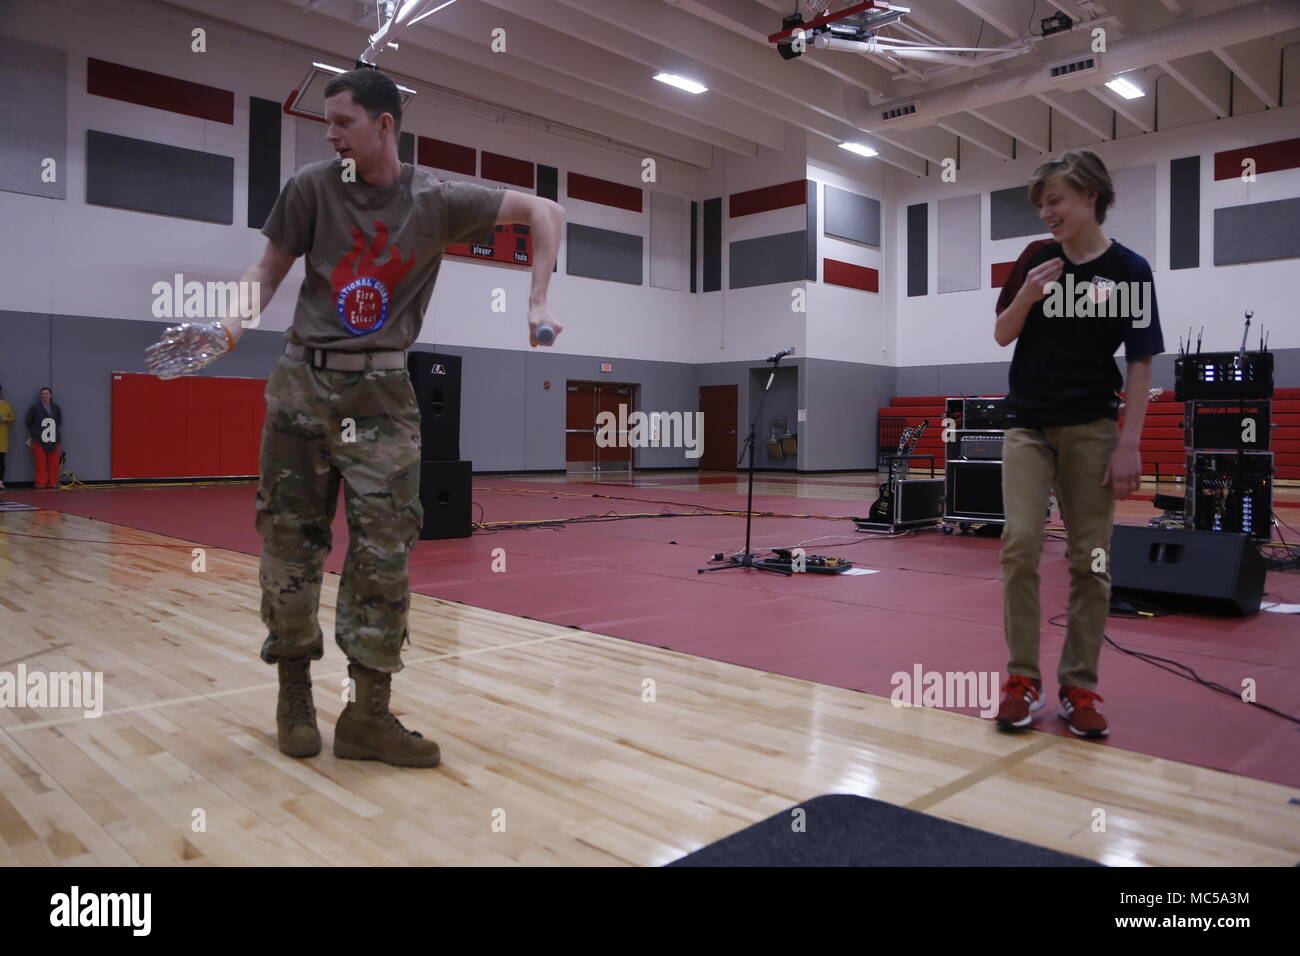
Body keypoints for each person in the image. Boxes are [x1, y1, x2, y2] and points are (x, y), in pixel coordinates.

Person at [145, 67, 565, 767]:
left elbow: (545, 212)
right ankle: (294, 697)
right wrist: (225, 329)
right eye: (327, 123)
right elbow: (267, 271)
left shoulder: (435, 199)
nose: (331, 134)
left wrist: (537, 301)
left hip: (382, 396)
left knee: (384, 554)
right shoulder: (312, 188)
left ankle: (368, 715)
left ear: (385, 126)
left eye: (342, 122)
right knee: (289, 544)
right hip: (302, 386)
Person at [991, 149, 1163, 739]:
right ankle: (1022, 679)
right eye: (1041, 204)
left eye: (1056, 200)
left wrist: (1129, 443)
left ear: (1090, 195)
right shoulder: (1035, 259)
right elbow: (1001, 333)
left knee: (1091, 561)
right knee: (1019, 544)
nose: (1046, 213)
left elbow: (1141, 361)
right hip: (1028, 425)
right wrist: (1027, 296)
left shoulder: (1130, 271)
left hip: (1091, 428)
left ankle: (1079, 684)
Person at [24, 387, 63, 490]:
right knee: (40, 463)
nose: (45, 395)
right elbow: (28, 422)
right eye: (43, 394)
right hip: (38, 440)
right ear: (40, 396)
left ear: (51, 395)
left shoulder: (56, 407)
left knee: (54, 462)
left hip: (53, 439)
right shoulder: (35, 407)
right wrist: (35, 433)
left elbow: (58, 422)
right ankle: (41, 483)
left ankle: (53, 482)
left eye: (47, 393)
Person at [0, 384, 13, 491]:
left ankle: (0, 482)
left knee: (1, 461)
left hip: (2, 437)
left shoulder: (6, 405)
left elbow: (12, 418)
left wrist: (5, 419)